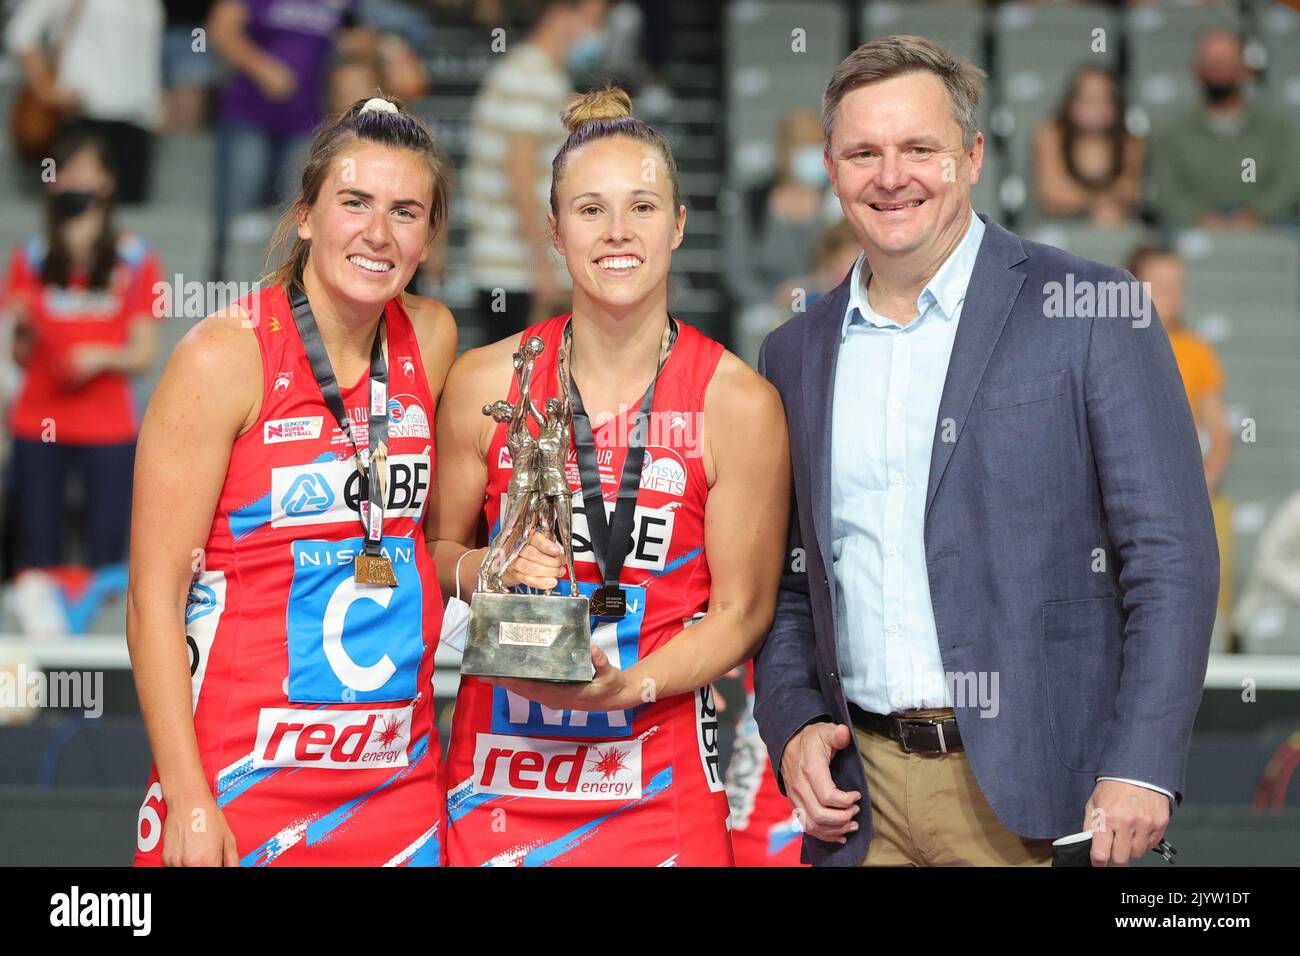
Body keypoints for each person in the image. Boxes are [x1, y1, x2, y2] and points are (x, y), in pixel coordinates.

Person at [755, 36, 1218, 867]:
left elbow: (1172, 555)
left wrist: (1143, 764)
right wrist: (790, 722)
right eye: (864, 152)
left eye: (919, 149)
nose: (890, 176)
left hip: (1047, 800)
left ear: (970, 158)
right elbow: (791, 584)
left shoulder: (1095, 307)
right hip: (860, 807)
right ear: (831, 168)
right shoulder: (793, 353)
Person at [431, 87, 789, 866]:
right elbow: (436, 549)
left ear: (680, 224)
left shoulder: (738, 403)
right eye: (590, 210)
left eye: (644, 207)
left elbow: (741, 612)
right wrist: (484, 566)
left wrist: (629, 686)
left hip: (656, 780)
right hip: (497, 777)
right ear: (555, 231)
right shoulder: (484, 381)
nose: (619, 232)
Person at [128, 95, 457, 866]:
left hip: (394, 777)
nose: (378, 234)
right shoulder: (223, 356)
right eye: (355, 203)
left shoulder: (432, 337)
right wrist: (187, 798)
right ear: (306, 214)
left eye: (405, 211)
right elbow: (152, 598)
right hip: (242, 776)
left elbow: (428, 539)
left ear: (429, 236)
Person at [1, 131, 162, 575]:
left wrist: (98, 357)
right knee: (37, 554)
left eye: (87, 169)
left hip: (109, 424)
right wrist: (23, 333)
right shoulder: (30, 257)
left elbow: (144, 352)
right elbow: (15, 357)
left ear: (108, 181)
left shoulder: (135, 257)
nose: (75, 180)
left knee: (109, 556)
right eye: (65, 169)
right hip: (37, 420)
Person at [463, 0, 609, 343]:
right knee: (517, 390)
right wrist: (542, 265)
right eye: (595, 19)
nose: (600, 32)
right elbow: (519, 174)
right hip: (514, 272)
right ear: (561, 14)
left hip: (515, 267)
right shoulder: (530, 77)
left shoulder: (536, 73)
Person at [207, 0, 370, 279]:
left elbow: (357, 39)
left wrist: (366, 45)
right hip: (249, 114)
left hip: (307, 122)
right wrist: (262, 68)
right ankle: (228, 290)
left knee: (298, 217)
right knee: (238, 211)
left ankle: (284, 293)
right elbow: (220, 30)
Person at [6, 0, 164, 204]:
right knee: (74, 206)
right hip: (83, 114)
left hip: (137, 120)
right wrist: (45, 88)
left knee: (129, 211)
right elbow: (20, 32)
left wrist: (155, 103)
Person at [1148, 29, 1299, 230]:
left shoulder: (1279, 130)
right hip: (1192, 226)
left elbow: (1289, 184)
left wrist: (1257, 214)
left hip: (1269, 223)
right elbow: (1167, 191)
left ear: (1245, 70)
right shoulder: (1170, 132)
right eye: (1211, 63)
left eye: (1228, 63)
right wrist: (1201, 218)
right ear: (1196, 70)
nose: (1219, 70)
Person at [1032, 65, 1144, 226]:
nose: (1094, 109)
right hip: (1059, 223)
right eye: (1086, 100)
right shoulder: (1048, 135)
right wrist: (1097, 202)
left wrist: (1101, 205)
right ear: (1070, 103)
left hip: (1114, 220)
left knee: (1111, 219)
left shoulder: (1131, 141)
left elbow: (1129, 190)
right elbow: (1053, 193)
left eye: (1103, 101)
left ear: (1116, 106)